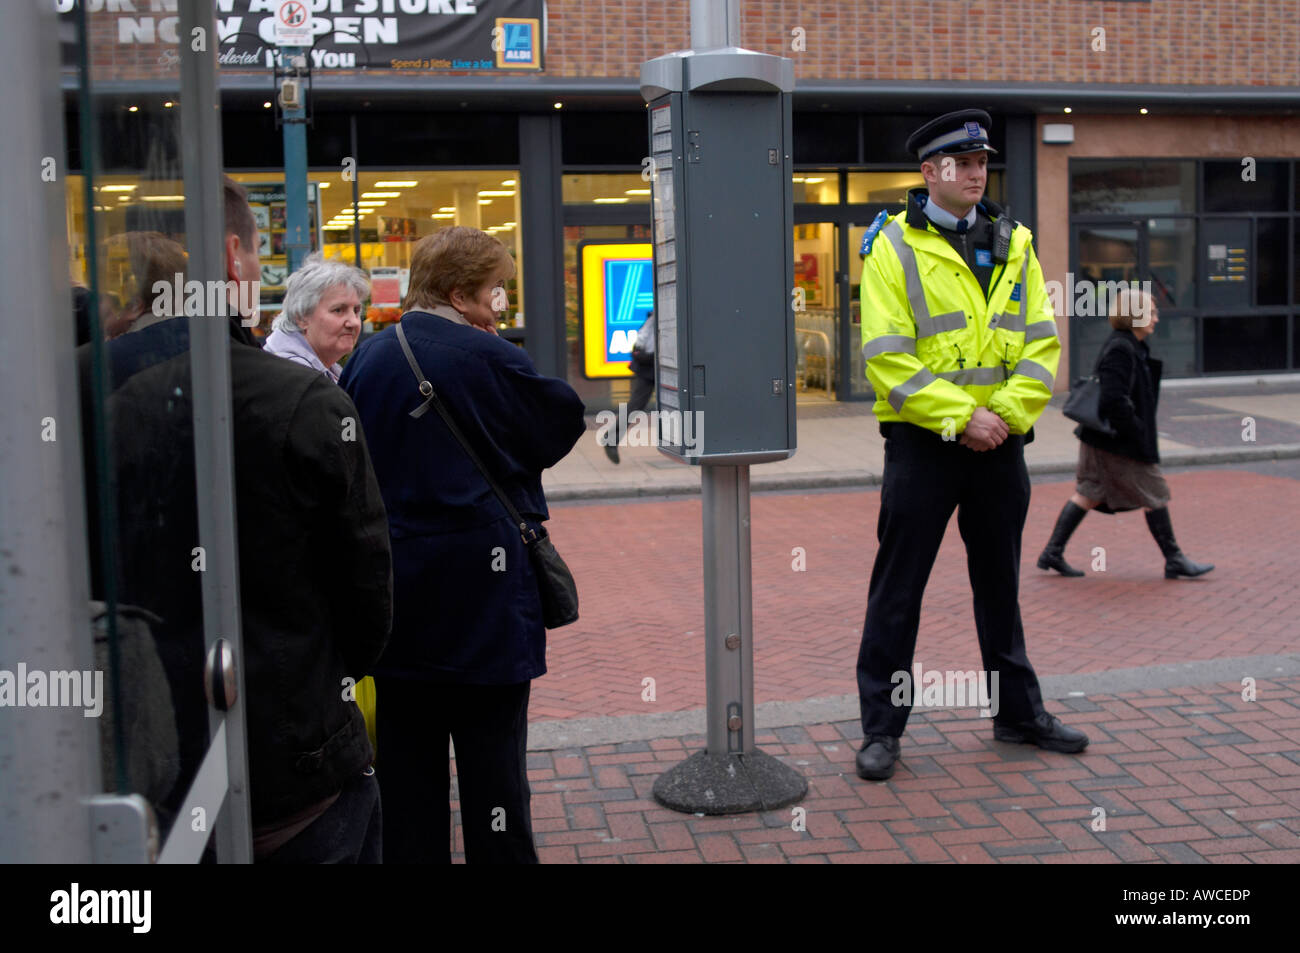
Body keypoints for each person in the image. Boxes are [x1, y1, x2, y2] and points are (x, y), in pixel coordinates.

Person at [85, 175, 393, 861]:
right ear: (232, 258)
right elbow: (366, 591)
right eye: (257, 258)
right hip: (293, 773)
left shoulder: (74, 386)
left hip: (132, 766)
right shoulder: (303, 402)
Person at [854, 109, 1089, 782]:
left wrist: (1007, 415)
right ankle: (881, 730)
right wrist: (962, 417)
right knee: (898, 593)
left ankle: (1018, 714)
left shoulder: (1014, 241)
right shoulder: (891, 247)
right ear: (929, 173)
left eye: (983, 162)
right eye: (963, 163)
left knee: (1000, 587)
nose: (977, 172)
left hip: (1000, 444)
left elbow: (1041, 342)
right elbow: (887, 358)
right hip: (924, 447)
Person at [341, 226, 585, 864]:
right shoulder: (487, 355)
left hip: (399, 591)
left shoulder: (369, 355)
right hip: (484, 593)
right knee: (493, 769)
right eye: (494, 289)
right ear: (458, 292)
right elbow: (558, 421)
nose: (500, 302)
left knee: (407, 768)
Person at [1037, 288, 1213, 579]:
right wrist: (1137, 431)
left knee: (1089, 493)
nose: (1156, 319)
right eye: (1152, 313)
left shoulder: (1129, 345)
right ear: (1136, 315)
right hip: (1118, 443)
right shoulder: (1122, 348)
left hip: (1104, 440)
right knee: (1154, 492)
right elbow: (1113, 399)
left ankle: (1052, 552)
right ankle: (1174, 559)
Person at [264, 252, 368, 381]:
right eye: (338, 310)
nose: (354, 322)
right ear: (301, 317)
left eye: (356, 311)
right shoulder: (293, 377)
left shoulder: (321, 369)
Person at [606, 310, 656, 464]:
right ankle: (611, 439)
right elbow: (644, 338)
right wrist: (644, 355)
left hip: (653, 363)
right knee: (635, 405)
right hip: (651, 365)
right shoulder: (659, 315)